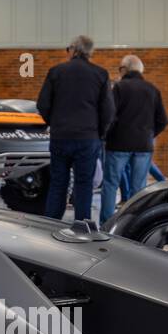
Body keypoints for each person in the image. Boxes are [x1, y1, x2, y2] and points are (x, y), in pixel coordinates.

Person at [37, 35, 114, 223]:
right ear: (90, 52)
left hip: (60, 137)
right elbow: (108, 110)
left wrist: (54, 123)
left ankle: (50, 224)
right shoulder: (100, 74)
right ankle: (82, 226)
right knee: (84, 184)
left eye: (67, 49)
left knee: (58, 183)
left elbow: (42, 104)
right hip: (88, 138)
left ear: (73, 49)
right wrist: (99, 133)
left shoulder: (56, 72)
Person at [99, 55, 168, 222]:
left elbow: (109, 116)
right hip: (143, 146)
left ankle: (106, 224)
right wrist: (148, 135)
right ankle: (133, 224)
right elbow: (163, 121)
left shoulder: (119, 88)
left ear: (124, 69)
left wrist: (106, 136)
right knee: (139, 189)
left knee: (110, 185)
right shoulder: (152, 89)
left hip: (118, 145)